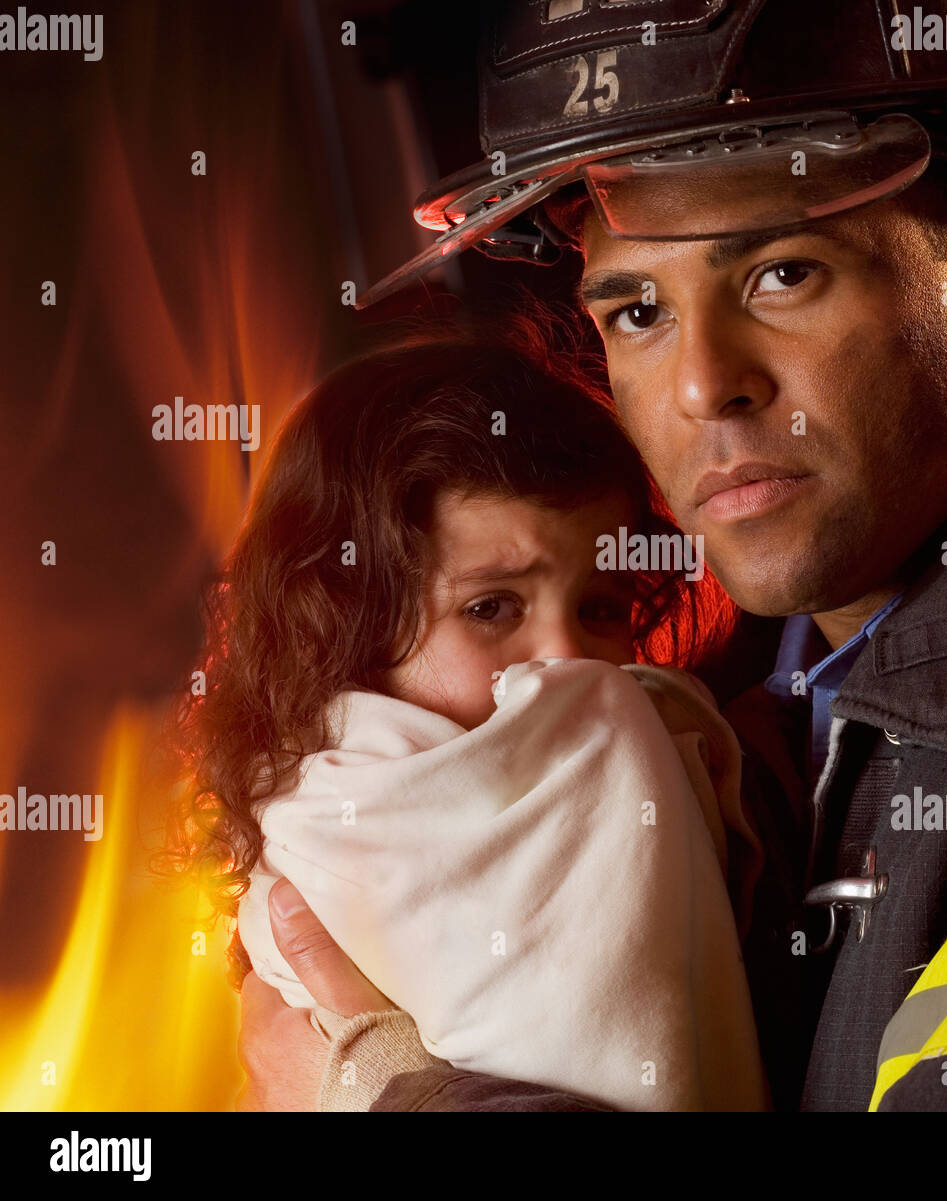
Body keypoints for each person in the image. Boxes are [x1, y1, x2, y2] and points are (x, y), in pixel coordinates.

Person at [239, 0, 947, 1112]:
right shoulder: (747, 724)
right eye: (640, 309)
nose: (704, 386)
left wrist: (385, 1089)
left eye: (782, 275)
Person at [171, 319, 769, 1111]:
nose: (569, 662)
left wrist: (366, 1078)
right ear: (348, 632)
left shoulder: (661, 751)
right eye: (491, 608)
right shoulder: (326, 804)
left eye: (600, 607)